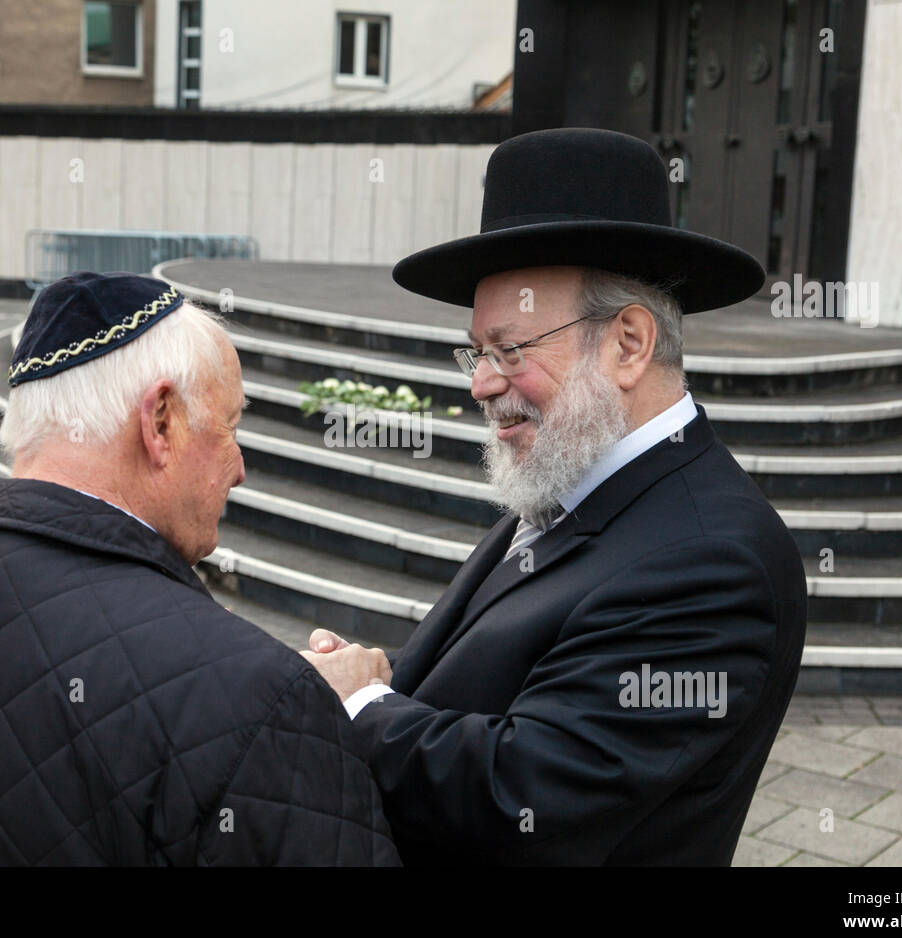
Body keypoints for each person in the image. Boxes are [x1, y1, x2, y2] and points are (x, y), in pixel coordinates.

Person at [303, 127, 808, 865]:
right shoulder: (578, 479)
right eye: (477, 352)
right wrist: (380, 683)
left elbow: (528, 795)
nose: (480, 383)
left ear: (629, 343)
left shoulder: (713, 563)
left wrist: (361, 705)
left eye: (510, 350)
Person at [0, 271, 399, 866]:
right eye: (230, 426)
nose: (240, 468)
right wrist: (309, 715)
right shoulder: (264, 701)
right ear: (160, 421)